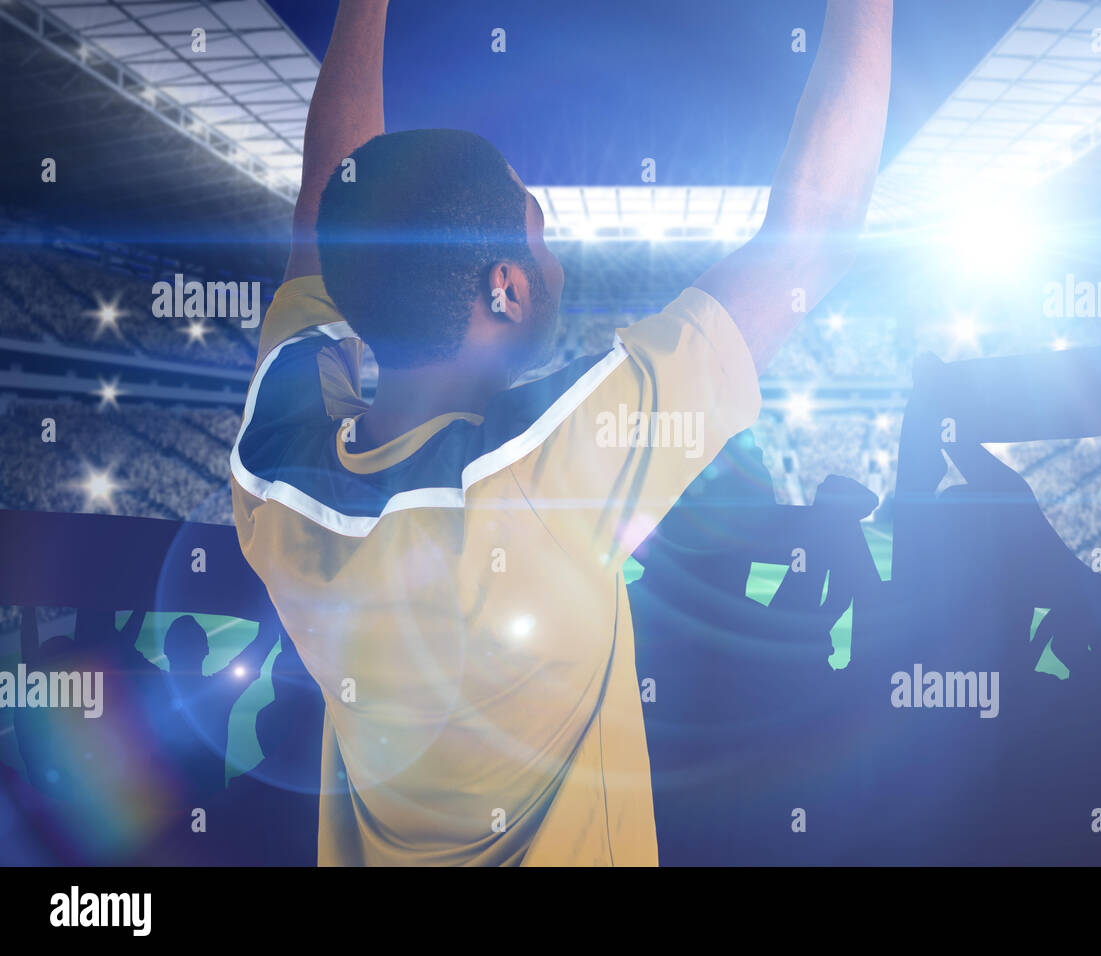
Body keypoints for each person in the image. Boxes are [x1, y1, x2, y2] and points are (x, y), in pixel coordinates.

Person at [230, 0, 894, 865]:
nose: (561, 262)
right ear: (504, 289)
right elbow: (816, 235)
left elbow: (326, 228)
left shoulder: (273, 481)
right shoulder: (550, 467)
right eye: (542, 236)